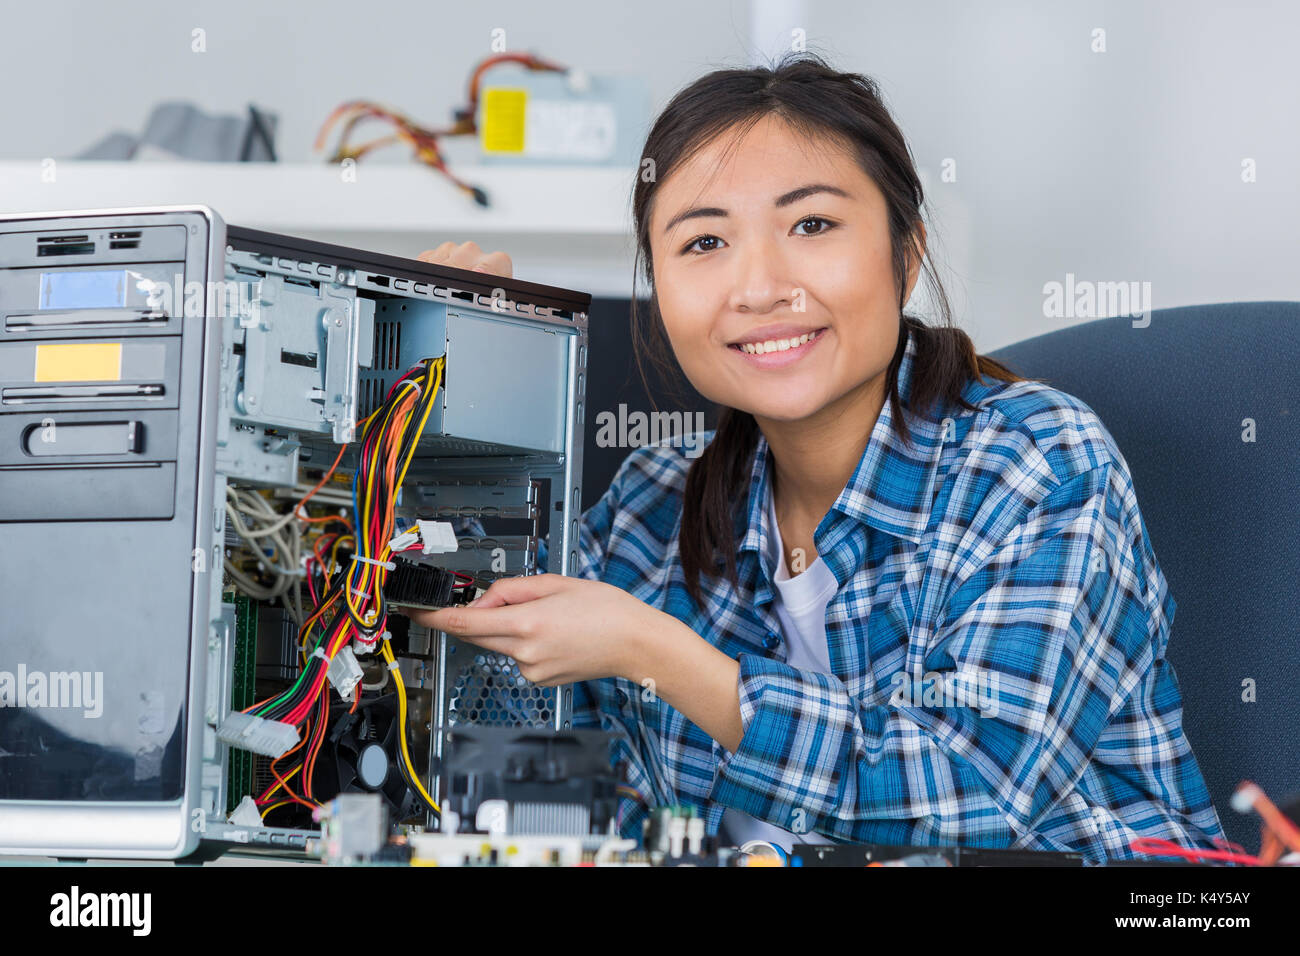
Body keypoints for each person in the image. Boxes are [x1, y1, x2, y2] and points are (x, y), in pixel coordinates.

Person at [407, 52, 1226, 864]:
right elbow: (541, 777)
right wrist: (446, 407)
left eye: (812, 225)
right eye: (704, 243)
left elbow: (971, 794)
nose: (761, 286)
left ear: (906, 256)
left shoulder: (1036, 464)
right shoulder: (655, 501)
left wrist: (655, 651)